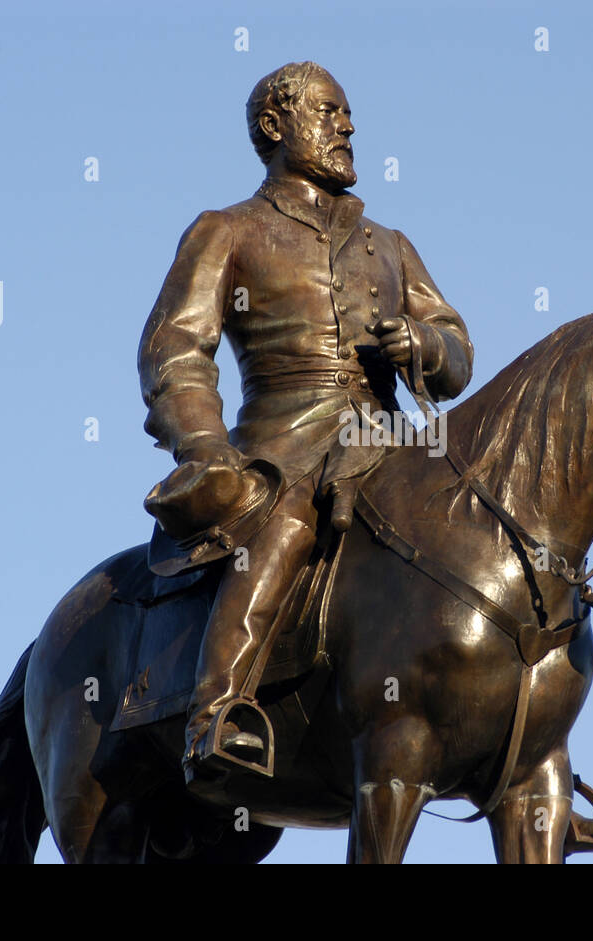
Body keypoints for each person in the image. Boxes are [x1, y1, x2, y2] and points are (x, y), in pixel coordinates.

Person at [137, 61, 473, 784]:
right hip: (286, 445)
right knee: (290, 525)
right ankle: (216, 711)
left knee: (483, 523)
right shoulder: (228, 230)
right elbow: (175, 351)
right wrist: (204, 445)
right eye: (328, 112)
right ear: (273, 126)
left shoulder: (391, 242)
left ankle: (521, 738)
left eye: (348, 115)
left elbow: (456, 348)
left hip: (387, 442)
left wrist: (425, 345)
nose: (346, 126)